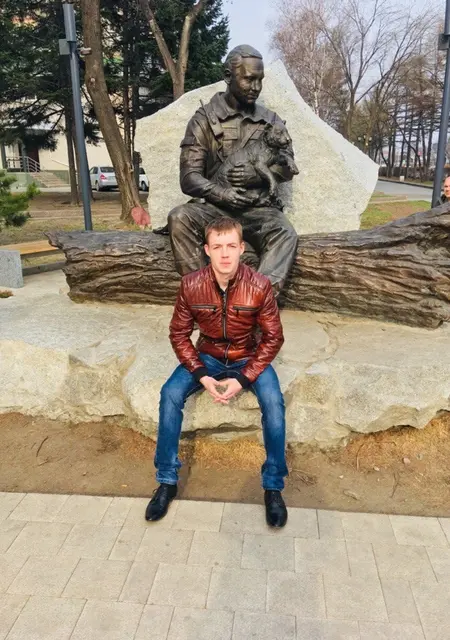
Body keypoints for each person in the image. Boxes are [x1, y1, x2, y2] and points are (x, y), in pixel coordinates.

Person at [146, 216, 289, 527]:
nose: (225, 254)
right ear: (207, 250)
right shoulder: (191, 285)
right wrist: (201, 374)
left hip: (247, 356)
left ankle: (273, 486)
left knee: (274, 403)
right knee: (170, 393)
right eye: (218, 246)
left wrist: (243, 378)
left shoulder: (260, 285)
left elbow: (273, 337)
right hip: (207, 356)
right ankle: (166, 481)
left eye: (231, 246)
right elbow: (179, 334)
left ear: (241, 248)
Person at [165, 44, 298, 296]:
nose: (256, 87)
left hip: (258, 209)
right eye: (248, 79)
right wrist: (221, 193)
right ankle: (206, 300)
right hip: (215, 208)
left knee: (285, 233)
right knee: (179, 217)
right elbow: (189, 177)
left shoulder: (271, 121)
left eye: (260, 80)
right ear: (228, 76)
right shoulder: (204, 120)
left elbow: (288, 167)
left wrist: (257, 175)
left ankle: (254, 302)